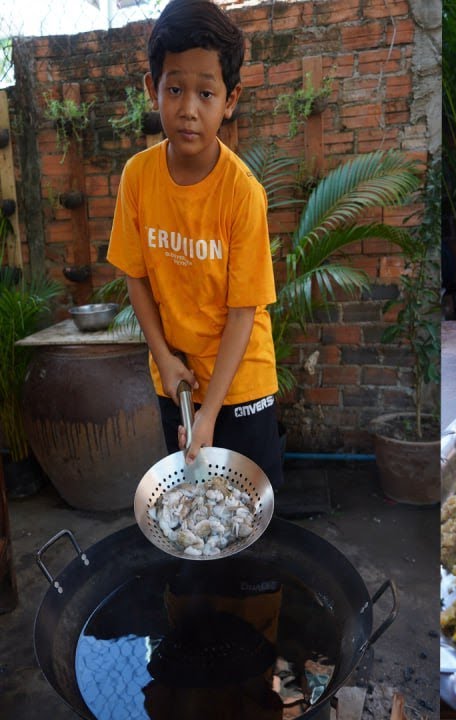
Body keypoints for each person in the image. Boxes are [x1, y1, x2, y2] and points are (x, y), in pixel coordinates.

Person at [107, 0, 282, 486]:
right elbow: (135, 277)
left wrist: (211, 412)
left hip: (241, 386)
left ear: (230, 100)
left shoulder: (242, 192)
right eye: (175, 89)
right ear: (152, 89)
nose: (188, 109)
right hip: (177, 379)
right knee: (191, 501)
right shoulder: (137, 178)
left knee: (247, 507)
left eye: (206, 93)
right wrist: (164, 360)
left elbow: (243, 312)